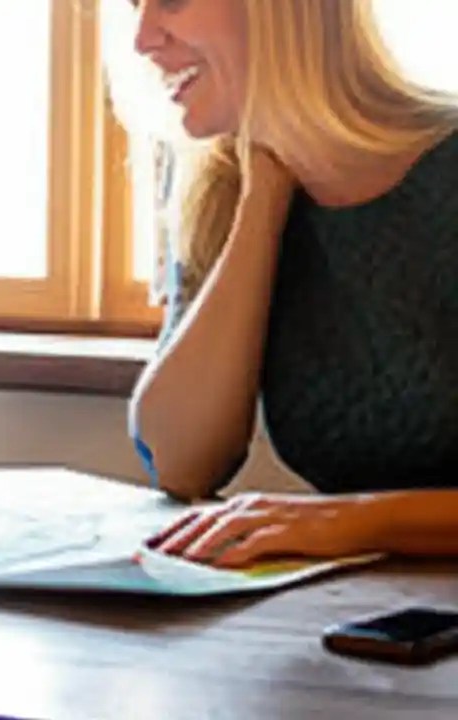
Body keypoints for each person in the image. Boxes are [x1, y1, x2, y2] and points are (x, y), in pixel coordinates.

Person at [114, 0, 458, 567]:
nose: (143, 39)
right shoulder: (217, 188)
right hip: (363, 618)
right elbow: (178, 461)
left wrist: (355, 522)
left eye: (171, 1)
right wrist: (263, 194)